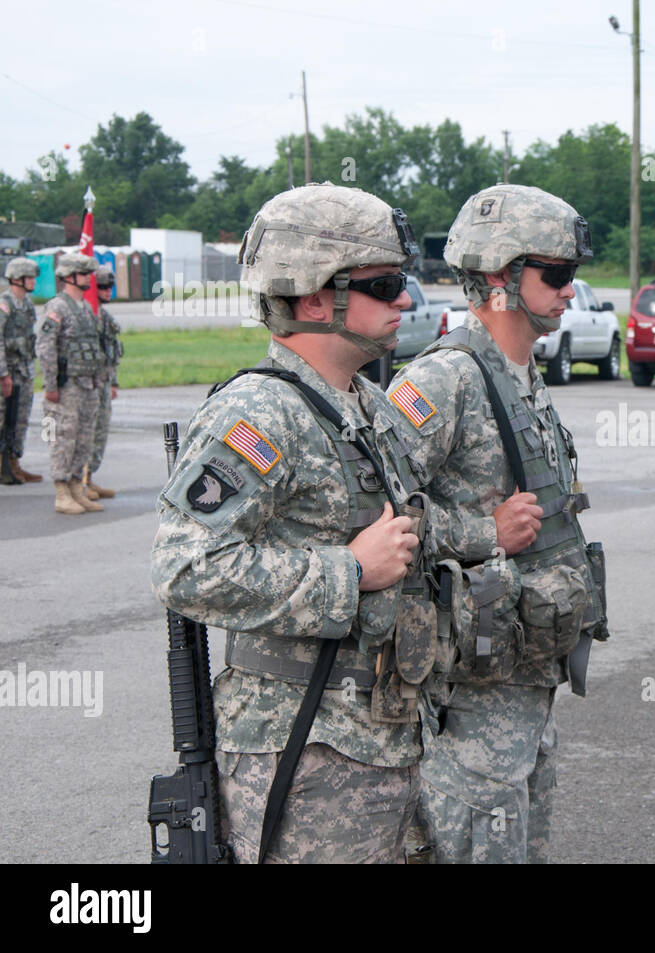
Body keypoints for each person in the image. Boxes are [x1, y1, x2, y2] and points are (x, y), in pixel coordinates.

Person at [151, 183, 435, 863]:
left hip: (383, 739)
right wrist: (351, 571)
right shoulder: (258, 413)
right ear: (314, 298)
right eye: (385, 283)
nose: (405, 299)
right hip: (303, 753)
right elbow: (187, 567)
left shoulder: (365, 404)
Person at [387, 183, 609, 863]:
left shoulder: (525, 377)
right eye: (557, 273)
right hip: (474, 701)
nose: (572, 289)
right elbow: (375, 522)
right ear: (497, 277)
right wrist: (484, 533)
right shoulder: (444, 380)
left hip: (526, 683)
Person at [35, 252, 104, 514]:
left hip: (86, 385)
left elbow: (93, 348)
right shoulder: (57, 307)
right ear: (69, 276)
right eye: (84, 273)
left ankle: (77, 487)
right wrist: (51, 384)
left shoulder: (85, 308)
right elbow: (45, 346)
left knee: (83, 438)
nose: (88, 278)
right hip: (66, 387)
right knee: (63, 437)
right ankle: (62, 491)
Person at [1, 257, 43, 484]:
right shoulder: (5, 304)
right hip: (8, 372)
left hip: (24, 371)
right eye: (30, 278)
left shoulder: (26, 304)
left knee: (21, 419)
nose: (34, 282)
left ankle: (15, 461)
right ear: (17, 279)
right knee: (4, 419)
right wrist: (3, 374)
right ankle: (4, 465)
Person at [83, 263, 123, 500]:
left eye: (110, 287)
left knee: (100, 431)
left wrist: (114, 382)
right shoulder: (87, 317)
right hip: (88, 383)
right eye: (103, 287)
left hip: (103, 382)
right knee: (85, 432)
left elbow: (111, 352)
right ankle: (80, 481)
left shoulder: (105, 317)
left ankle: (89, 477)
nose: (108, 291)